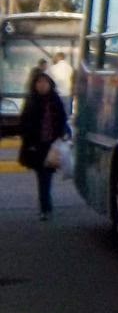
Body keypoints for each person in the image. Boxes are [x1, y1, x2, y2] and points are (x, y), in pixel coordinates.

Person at [18, 71, 69, 221]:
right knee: (43, 177)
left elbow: (62, 119)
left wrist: (62, 136)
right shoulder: (32, 101)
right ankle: (45, 207)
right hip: (37, 146)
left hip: (52, 145)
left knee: (46, 177)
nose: (42, 85)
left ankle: (46, 207)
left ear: (50, 84)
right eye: (39, 82)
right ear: (34, 85)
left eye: (45, 82)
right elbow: (24, 123)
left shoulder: (55, 100)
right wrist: (29, 142)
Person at [47, 51, 75, 115]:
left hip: (56, 95)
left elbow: (46, 78)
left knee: (56, 114)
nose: (54, 58)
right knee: (66, 115)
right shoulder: (69, 68)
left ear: (59, 57)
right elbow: (73, 80)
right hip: (67, 94)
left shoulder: (53, 68)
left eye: (55, 57)